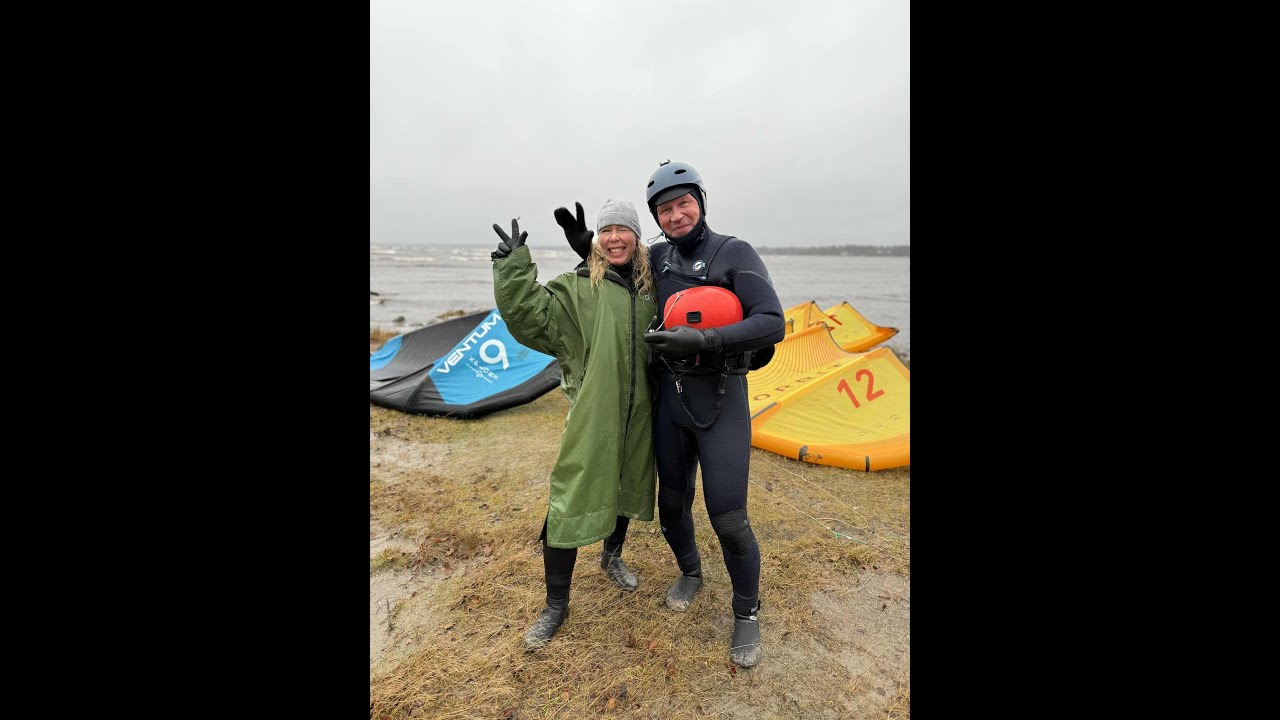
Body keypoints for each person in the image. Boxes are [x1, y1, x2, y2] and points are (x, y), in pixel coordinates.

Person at [490, 198, 658, 650]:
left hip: (641, 411)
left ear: (637, 237)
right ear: (597, 240)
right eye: (607, 231)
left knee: (628, 482)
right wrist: (512, 268)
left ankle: (611, 556)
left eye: (624, 229)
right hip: (592, 411)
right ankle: (555, 604)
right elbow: (532, 317)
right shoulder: (579, 287)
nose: (615, 237)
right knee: (569, 497)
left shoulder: (650, 289)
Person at [640, 161, 785, 668]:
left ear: (700, 201)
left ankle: (746, 613)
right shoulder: (655, 257)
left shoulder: (734, 252)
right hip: (671, 401)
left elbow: (772, 321)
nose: (676, 215)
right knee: (672, 506)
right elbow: (613, 269)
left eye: (683, 203)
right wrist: (581, 249)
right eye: (665, 209)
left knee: (728, 517)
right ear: (657, 217)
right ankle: (691, 571)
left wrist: (705, 338)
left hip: (723, 399)